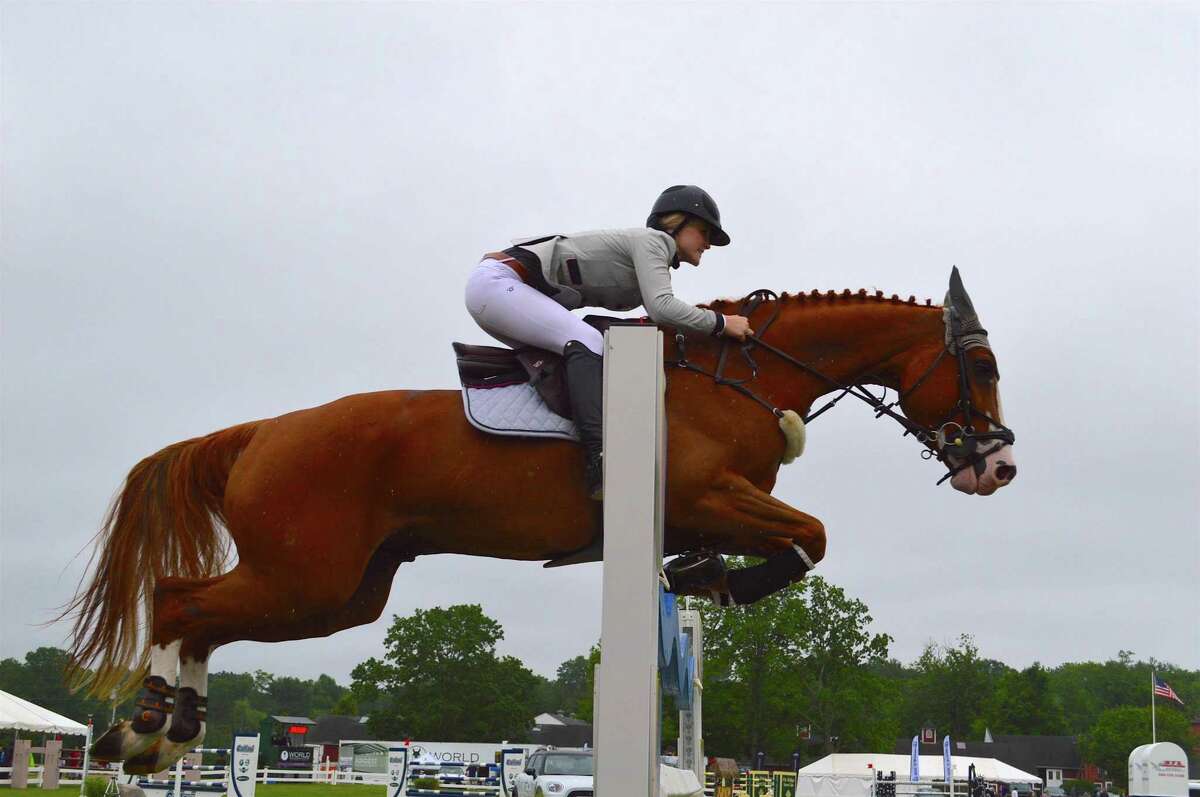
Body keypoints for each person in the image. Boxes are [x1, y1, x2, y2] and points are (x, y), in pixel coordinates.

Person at [464, 185, 753, 500]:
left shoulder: (652, 255)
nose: (708, 243)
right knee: (587, 342)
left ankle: (555, 448)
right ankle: (599, 458)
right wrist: (722, 323)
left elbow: (654, 317)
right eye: (704, 231)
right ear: (675, 223)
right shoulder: (654, 241)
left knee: (581, 347)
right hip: (498, 285)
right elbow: (662, 307)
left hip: (499, 292)